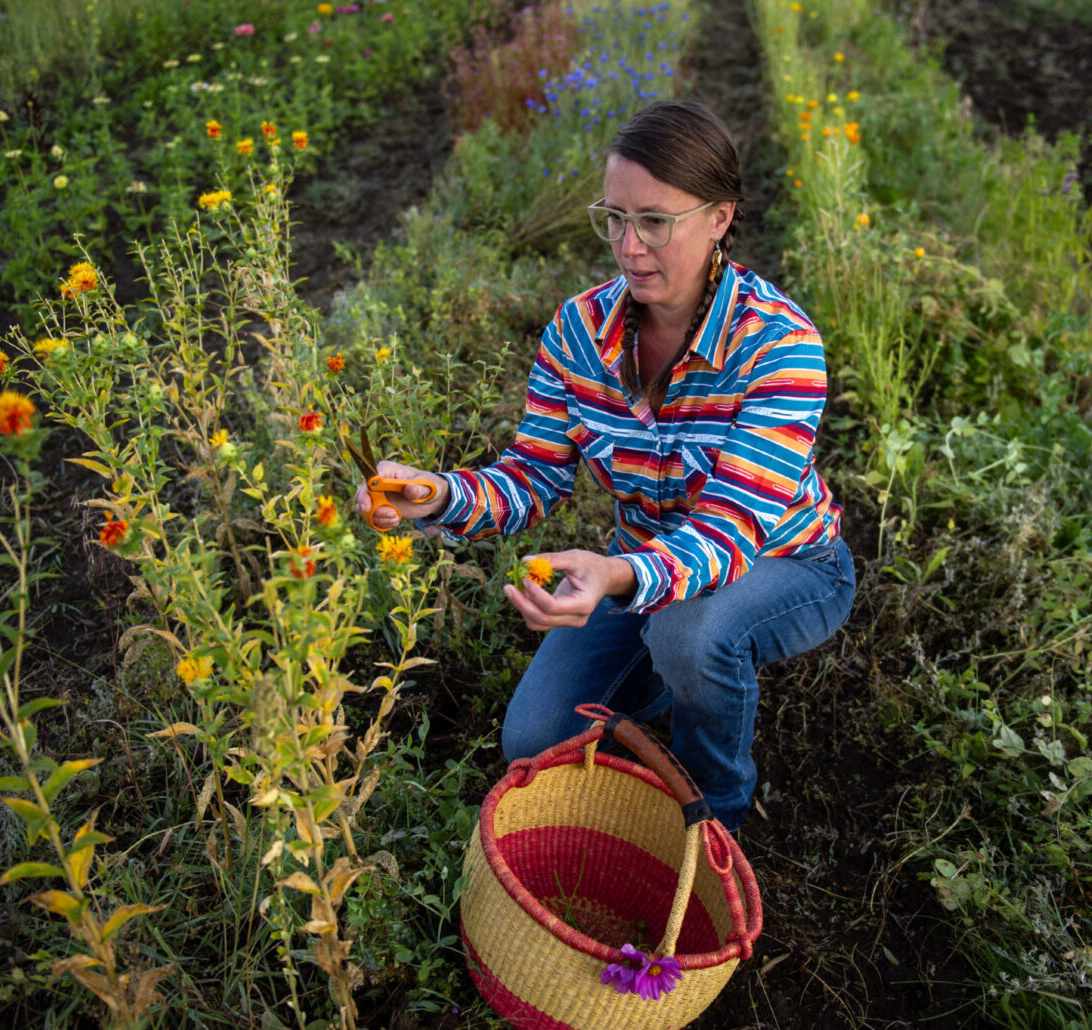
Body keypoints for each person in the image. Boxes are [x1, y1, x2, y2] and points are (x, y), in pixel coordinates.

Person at [353, 100, 855, 832]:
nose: (628, 245)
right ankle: (669, 675)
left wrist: (617, 577)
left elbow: (730, 530)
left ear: (720, 217)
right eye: (614, 218)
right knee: (534, 740)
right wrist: (437, 496)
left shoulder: (779, 345)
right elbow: (533, 475)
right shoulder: (580, 332)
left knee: (692, 633)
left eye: (655, 220)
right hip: (645, 570)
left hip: (788, 565)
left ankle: (714, 818)